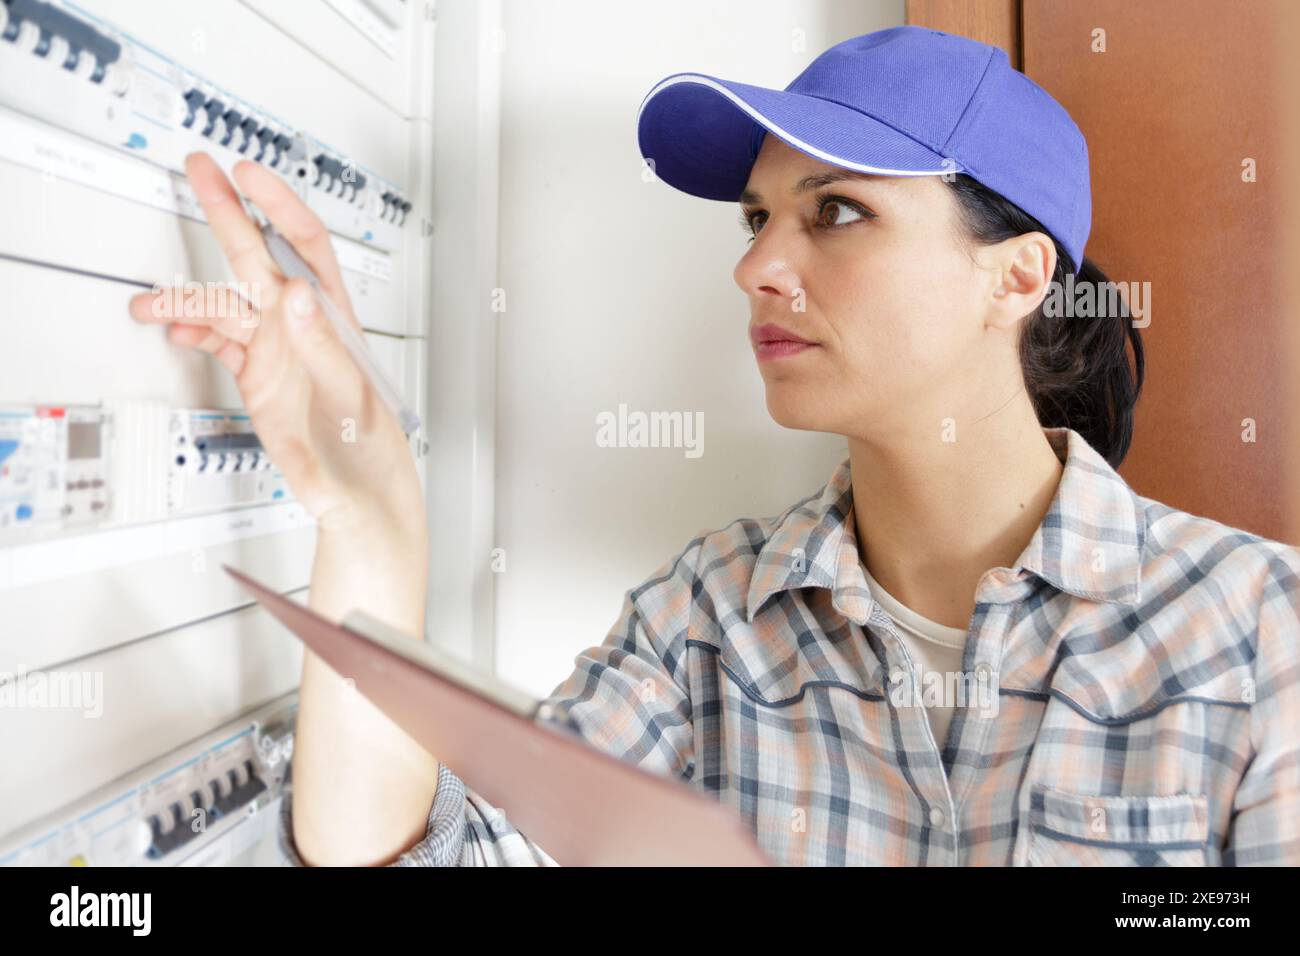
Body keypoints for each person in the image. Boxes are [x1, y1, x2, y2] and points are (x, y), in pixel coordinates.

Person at [129, 26, 1300, 866]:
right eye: (756, 218)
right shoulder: (705, 622)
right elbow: (436, 855)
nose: (754, 267)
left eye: (836, 210)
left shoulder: (1253, 629)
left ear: (1016, 274)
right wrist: (372, 526)